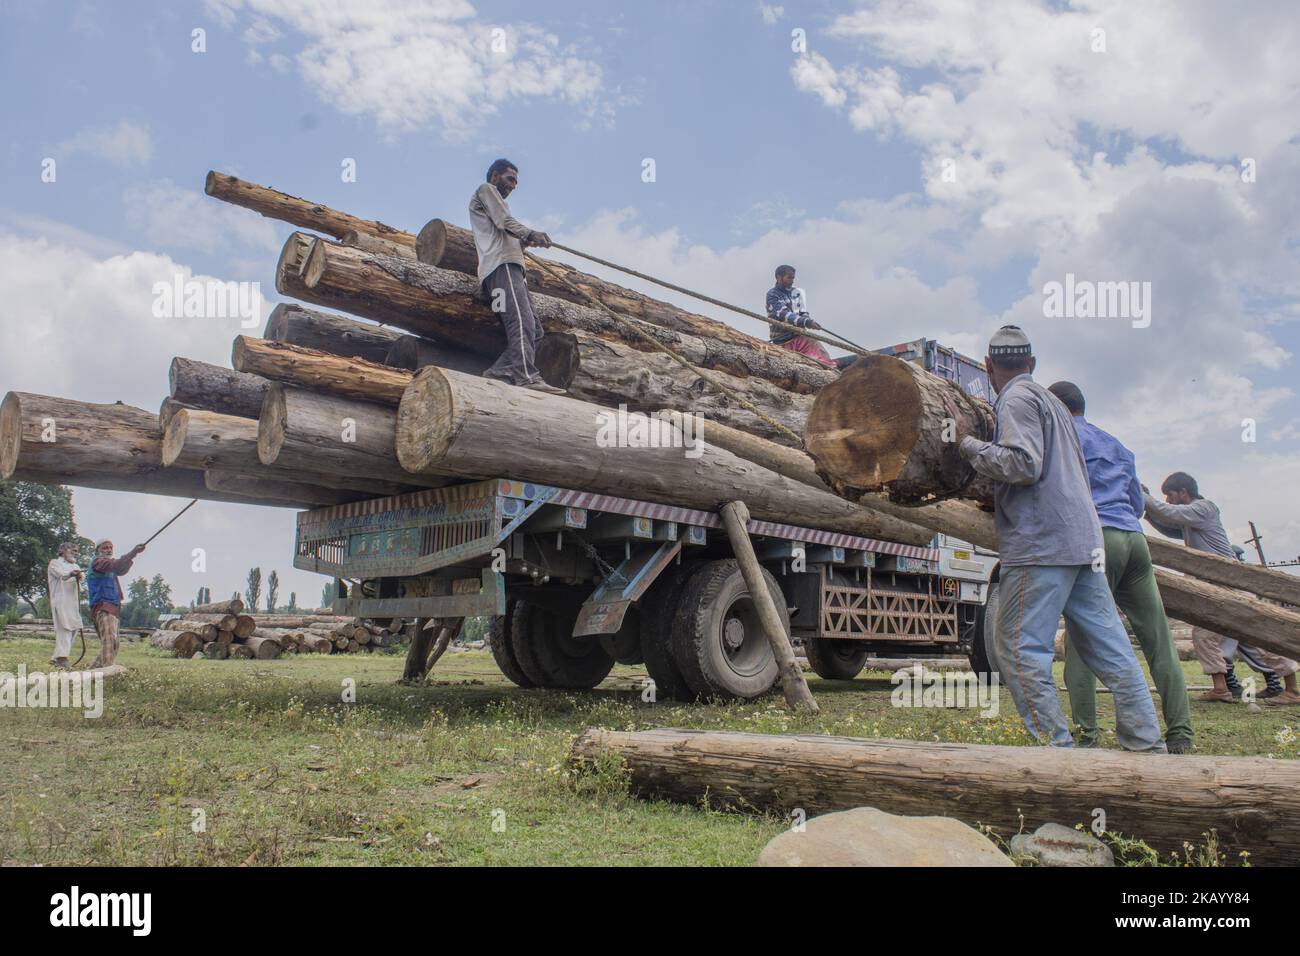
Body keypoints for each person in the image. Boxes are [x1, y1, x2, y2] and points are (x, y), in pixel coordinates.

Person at [956, 326, 1164, 751]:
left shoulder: (1014, 398)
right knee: (1112, 648)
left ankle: (1057, 752)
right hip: (1083, 541)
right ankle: (1146, 745)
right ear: (1031, 363)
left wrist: (970, 448)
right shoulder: (1054, 403)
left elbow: (1023, 464)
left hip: (1040, 545)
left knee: (1018, 650)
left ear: (989, 365)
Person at [1047, 382, 1193, 753]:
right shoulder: (1118, 446)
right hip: (1134, 541)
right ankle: (1180, 733)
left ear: (1058, 408)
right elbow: (1138, 504)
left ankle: (1087, 736)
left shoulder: (1061, 438)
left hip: (1096, 540)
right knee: (1158, 641)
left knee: (1081, 642)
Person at [1144, 472, 1300, 705]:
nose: (1167, 500)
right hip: (1218, 584)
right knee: (1239, 637)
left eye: (1170, 495)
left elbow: (1169, 514)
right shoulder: (1193, 519)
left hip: (1228, 583)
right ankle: (1227, 688)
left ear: (1184, 492)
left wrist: (1142, 496)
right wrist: (1149, 514)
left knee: (1228, 635)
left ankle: (1277, 689)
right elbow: (1171, 528)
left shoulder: (1204, 508)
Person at [469, 158, 565, 393]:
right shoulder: (486, 190)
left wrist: (525, 241)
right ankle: (526, 377)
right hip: (500, 268)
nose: (514, 185)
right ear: (494, 177)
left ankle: (500, 371)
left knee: (536, 331)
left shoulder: (496, 203)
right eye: (510, 179)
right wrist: (531, 233)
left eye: (515, 182)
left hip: (510, 269)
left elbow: (504, 231)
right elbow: (504, 222)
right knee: (520, 320)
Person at [85, 539, 145, 669]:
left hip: (112, 607)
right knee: (109, 641)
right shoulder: (98, 562)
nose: (109, 550)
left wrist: (133, 555)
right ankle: (107, 670)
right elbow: (116, 565)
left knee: (114, 643)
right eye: (105, 547)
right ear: (98, 551)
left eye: (111, 547)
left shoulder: (109, 565)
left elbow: (121, 569)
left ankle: (94, 670)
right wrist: (133, 552)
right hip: (103, 606)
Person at [765, 265, 836, 368]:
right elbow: (785, 315)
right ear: (778, 277)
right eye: (789, 278)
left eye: (793, 278)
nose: (792, 281)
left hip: (799, 336)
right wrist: (806, 322)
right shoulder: (772, 295)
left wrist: (809, 320)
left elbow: (803, 312)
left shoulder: (796, 293)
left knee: (823, 359)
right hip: (783, 341)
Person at [46, 542, 84, 670]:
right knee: (64, 628)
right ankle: (62, 658)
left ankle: (56, 657)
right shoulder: (55, 563)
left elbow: (81, 580)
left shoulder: (76, 565)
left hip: (73, 601)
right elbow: (61, 575)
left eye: (76, 551)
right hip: (61, 600)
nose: (75, 553)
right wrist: (72, 574)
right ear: (62, 550)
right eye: (72, 550)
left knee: (75, 627)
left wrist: (79, 575)